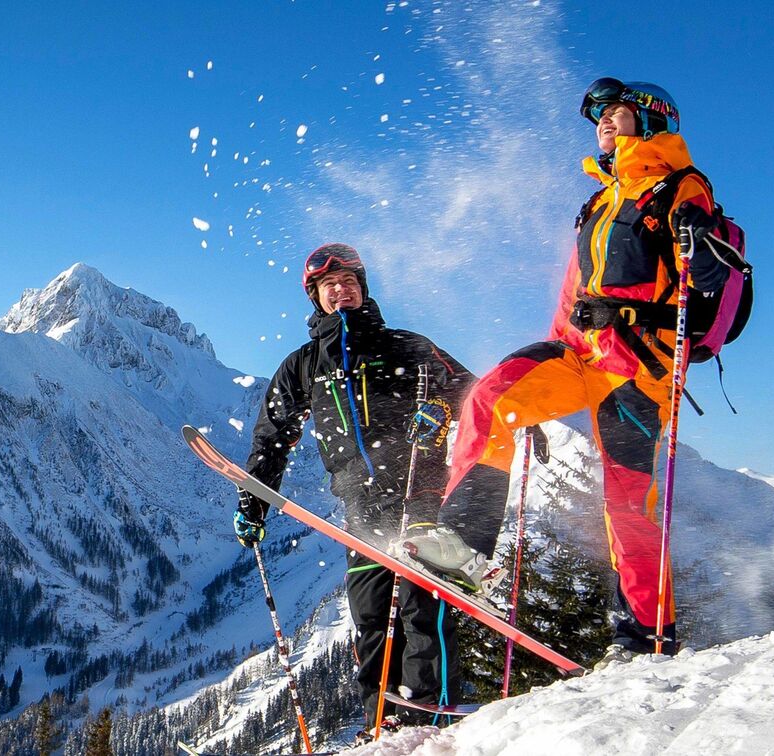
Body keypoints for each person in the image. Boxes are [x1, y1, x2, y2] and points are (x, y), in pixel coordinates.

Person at [397, 79, 732, 660]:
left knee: (627, 506)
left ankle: (646, 636)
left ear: (652, 121)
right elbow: (573, 295)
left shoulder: (681, 187)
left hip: (637, 368)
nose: (603, 122)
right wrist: (544, 379)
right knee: (492, 396)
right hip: (580, 354)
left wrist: (699, 254)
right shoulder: (600, 203)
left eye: (617, 113)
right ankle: (461, 545)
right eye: (599, 116)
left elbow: (709, 278)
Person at [234, 243, 473, 735]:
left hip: (419, 489)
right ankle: (381, 723)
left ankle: (430, 709)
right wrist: (253, 504)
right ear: (315, 297)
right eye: (329, 286)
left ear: (363, 289)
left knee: (421, 601)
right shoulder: (303, 367)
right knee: (369, 614)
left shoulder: (406, 344)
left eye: (349, 283)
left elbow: (469, 390)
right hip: (360, 506)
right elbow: (271, 439)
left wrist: (443, 412)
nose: (341, 291)